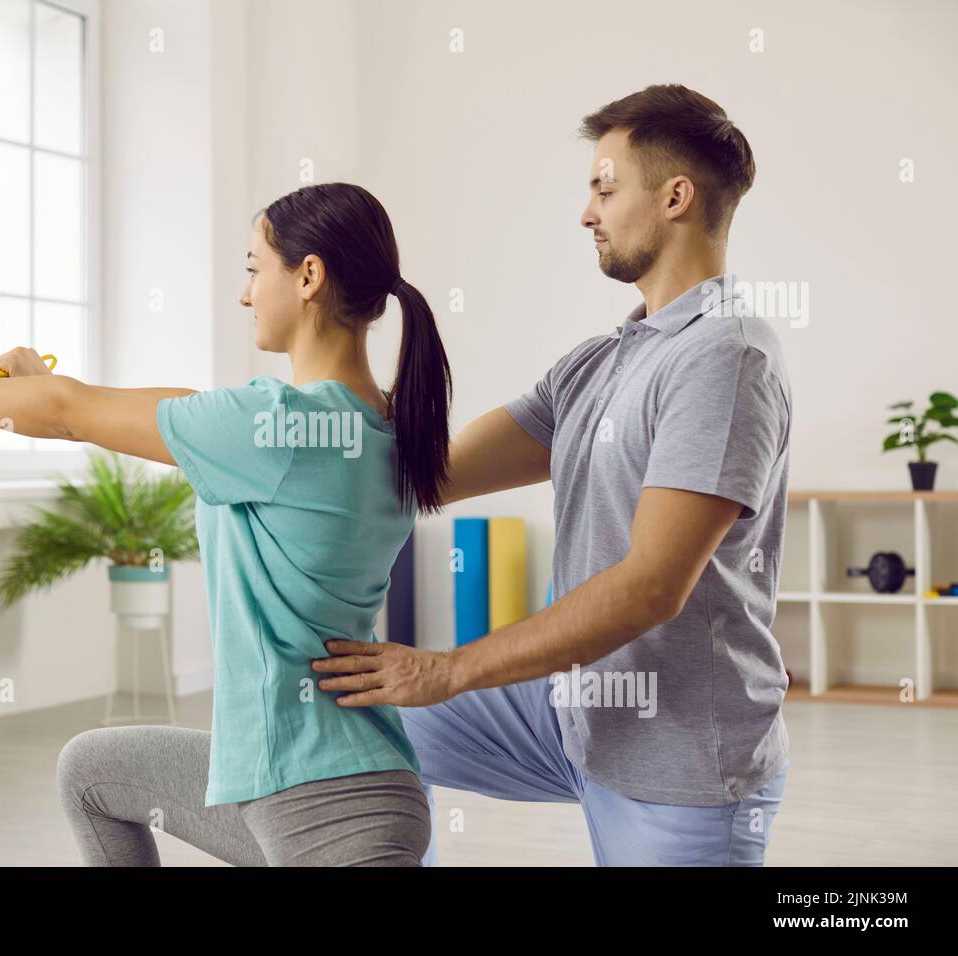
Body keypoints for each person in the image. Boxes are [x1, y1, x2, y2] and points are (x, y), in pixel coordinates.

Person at [0, 182, 452, 866]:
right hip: (334, 783)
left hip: (319, 811)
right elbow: (81, 407)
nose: (245, 294)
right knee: (91, 770)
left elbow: (68, 412)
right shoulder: (387, 424)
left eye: (253, 267)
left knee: (88, 769)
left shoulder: (278, 426)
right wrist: (28, 384)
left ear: (309, 276)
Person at [315, 84, 793, 866]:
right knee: (363, 728)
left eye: (605, 188)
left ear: (676, 197)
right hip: (570, 712)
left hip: (677, 763)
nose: (587, 212)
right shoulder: (601, 360)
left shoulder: (725, 359)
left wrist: (449, 668)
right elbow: (427, 473)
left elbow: (650, 586)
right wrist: (311, 377)